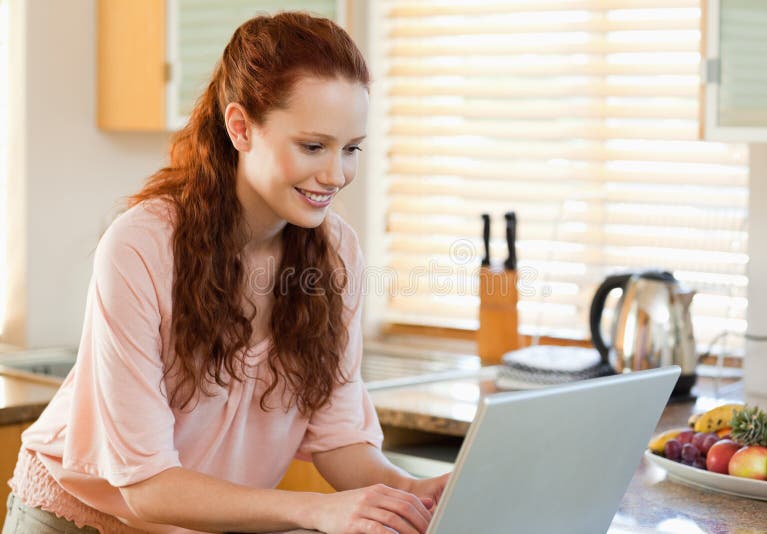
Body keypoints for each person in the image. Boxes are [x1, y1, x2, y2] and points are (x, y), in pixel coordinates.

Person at [3, 12, 448, 534]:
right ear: (240, 127)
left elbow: (338, 435)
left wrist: (409, 492)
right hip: (75, 518)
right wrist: (315, 510)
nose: (336, 175)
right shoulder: (142, 246)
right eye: (313, 146)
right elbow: (145, 485)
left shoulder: (336, 256)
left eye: (351, 149)